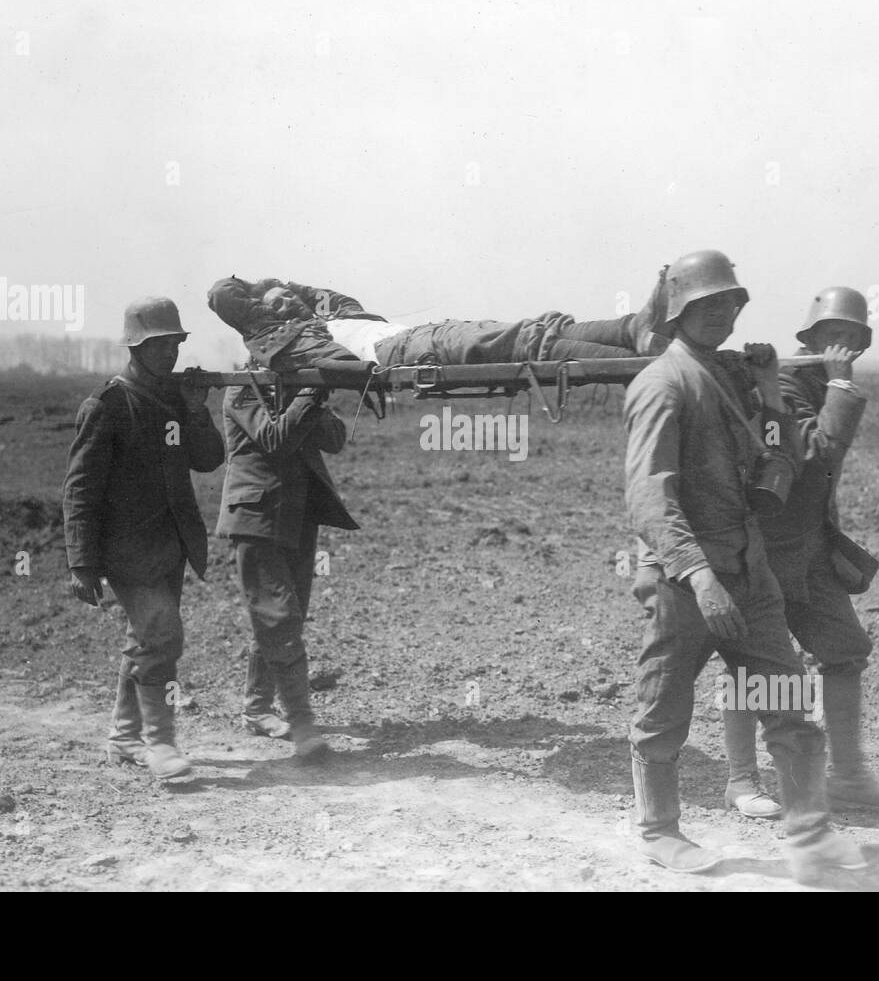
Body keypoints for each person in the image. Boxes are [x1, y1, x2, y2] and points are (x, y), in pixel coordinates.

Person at [623, 250, 865, 882]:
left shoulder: (729, 382)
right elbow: (650, 495)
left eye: (729, 304)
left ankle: (810, 836)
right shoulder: (662, 383)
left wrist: (766, 395)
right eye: (706, 305)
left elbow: (777, 471)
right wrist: (701, 579)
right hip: (687, 580)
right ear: (678, 311)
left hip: (748, 572)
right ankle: (658, 831)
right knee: (664, 713)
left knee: (786, 704)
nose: (721, 315)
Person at [719, 287, 879, 815]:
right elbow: (817, 447)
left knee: (844, 650)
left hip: (809, 547)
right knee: (747, 662)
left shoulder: (822, 381)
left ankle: (848, 776)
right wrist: (841, 384)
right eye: (832, 336)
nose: (842, 345)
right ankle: (742, 781)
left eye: (852, 338)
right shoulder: (783, 383)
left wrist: (837, 382)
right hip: (762, 548)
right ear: (809, 338)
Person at [63, 297, 225, 781]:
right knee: (161, 637)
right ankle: (160, 743)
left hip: (171, 543)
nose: (169, 353)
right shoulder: (108, 405)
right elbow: (80, 487)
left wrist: (197, 412)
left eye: (174, 343)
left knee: (146, 639)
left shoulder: (176, 401)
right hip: (126, 548)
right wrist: (81, 562)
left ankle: (125, 736)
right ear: (135, 347)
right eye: (158, 345)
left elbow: (208, 459)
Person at [216, 376, 359, 762]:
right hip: (255, 518)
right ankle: (303, 725)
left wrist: (314, 397)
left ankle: (257, 707)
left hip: (297, 519)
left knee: (285, 616)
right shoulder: (242, 388)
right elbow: (274, 437)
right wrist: (309, 395)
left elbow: (334, 440)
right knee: (279, 617)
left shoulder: (297, 389)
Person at [205, 275, 667, 371]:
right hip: (403, 353)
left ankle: (632, 331)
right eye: (276, 305)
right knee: (525, 343)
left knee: (532, 331)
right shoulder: (288, 340)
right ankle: (648, 360)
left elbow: (324, 295)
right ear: (263, 317)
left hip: (419, 335)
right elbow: (226, 299)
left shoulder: (334, 316)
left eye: (290, 298)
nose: (288, 305)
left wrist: (283, 285)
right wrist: (261, 294)